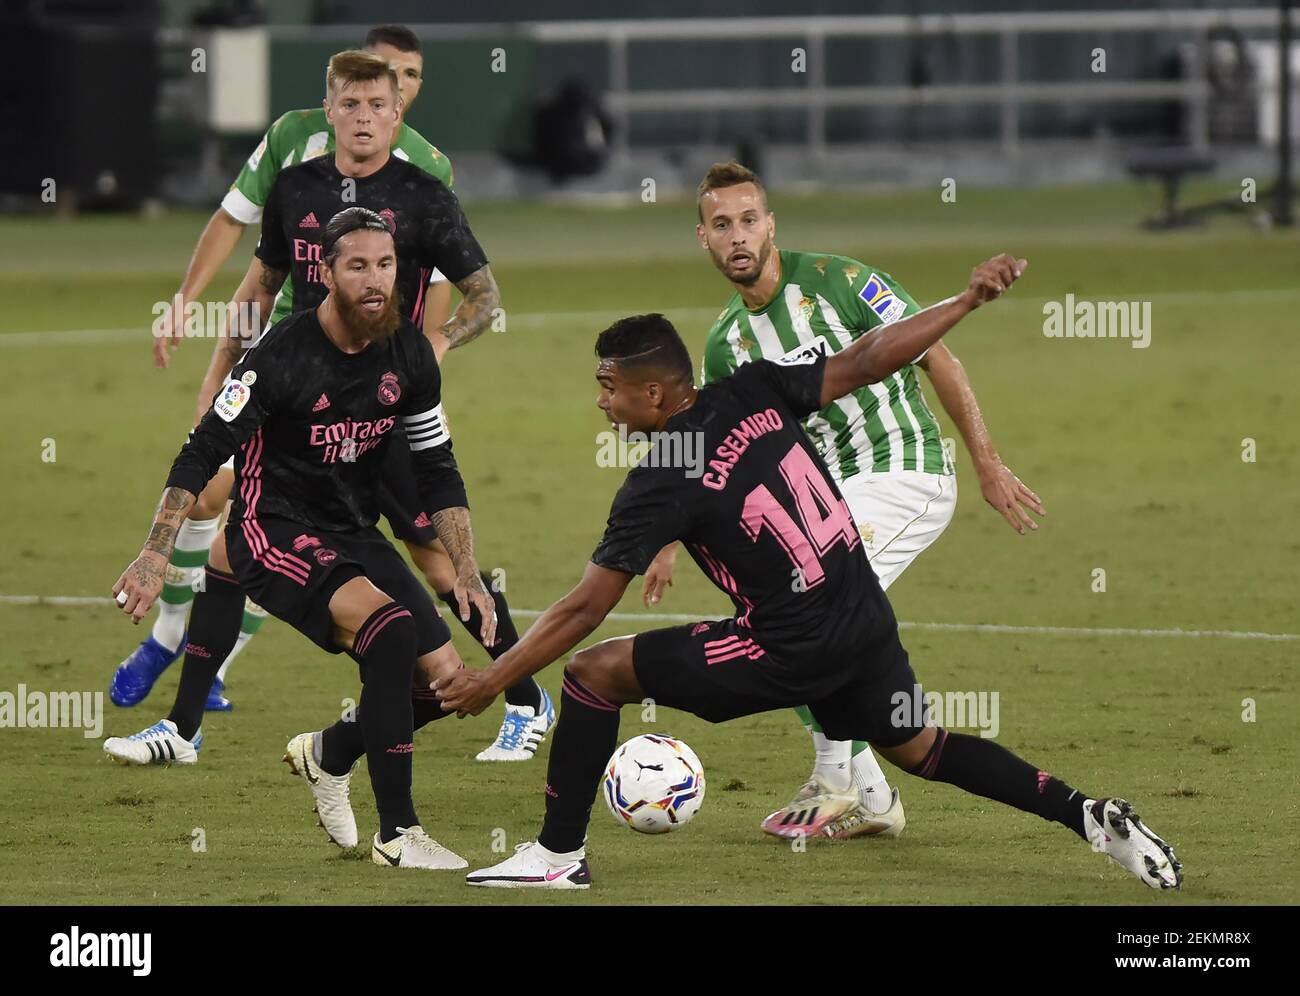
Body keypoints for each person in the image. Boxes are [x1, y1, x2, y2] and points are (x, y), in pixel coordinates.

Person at [436, 260, 1180, 893]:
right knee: (922, 748)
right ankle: (1088, 815)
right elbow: (866, 360)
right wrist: (964, 302)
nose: (601, 402)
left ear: (655, 394)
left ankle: (559, 856)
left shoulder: (661, 472)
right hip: (863, 617)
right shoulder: (753, 389)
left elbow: (583, 610)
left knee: (594, 673)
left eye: (608, 387)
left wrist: (494, 679)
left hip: (790, 647)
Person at [641, 161, 1045, 838]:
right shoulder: (725, 345)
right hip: (830, 503)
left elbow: (939, 357)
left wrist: (987, 462)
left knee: (805, 610)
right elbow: (708, 447)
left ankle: (841, 779)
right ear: (703, 240)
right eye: (721, 225)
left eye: (748, 220)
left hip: (905, 470)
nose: (737, 236)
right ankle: (870, 794)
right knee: (784, 613)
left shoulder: (841, 280)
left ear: (771, 226)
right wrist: (661, 540)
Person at [112, 208, 494, 869]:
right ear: (324, 274)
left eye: (386, 264)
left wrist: (464, 568)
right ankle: (398, 835)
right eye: (358, 266)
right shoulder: (280, 357)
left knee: (449, 687)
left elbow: (436, 465)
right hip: (273, 530)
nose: (376, 281)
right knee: (392, 630)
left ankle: (330, 753)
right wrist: (156, 550)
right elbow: (202, 451)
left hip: (354, 528)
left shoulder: (408, 353)